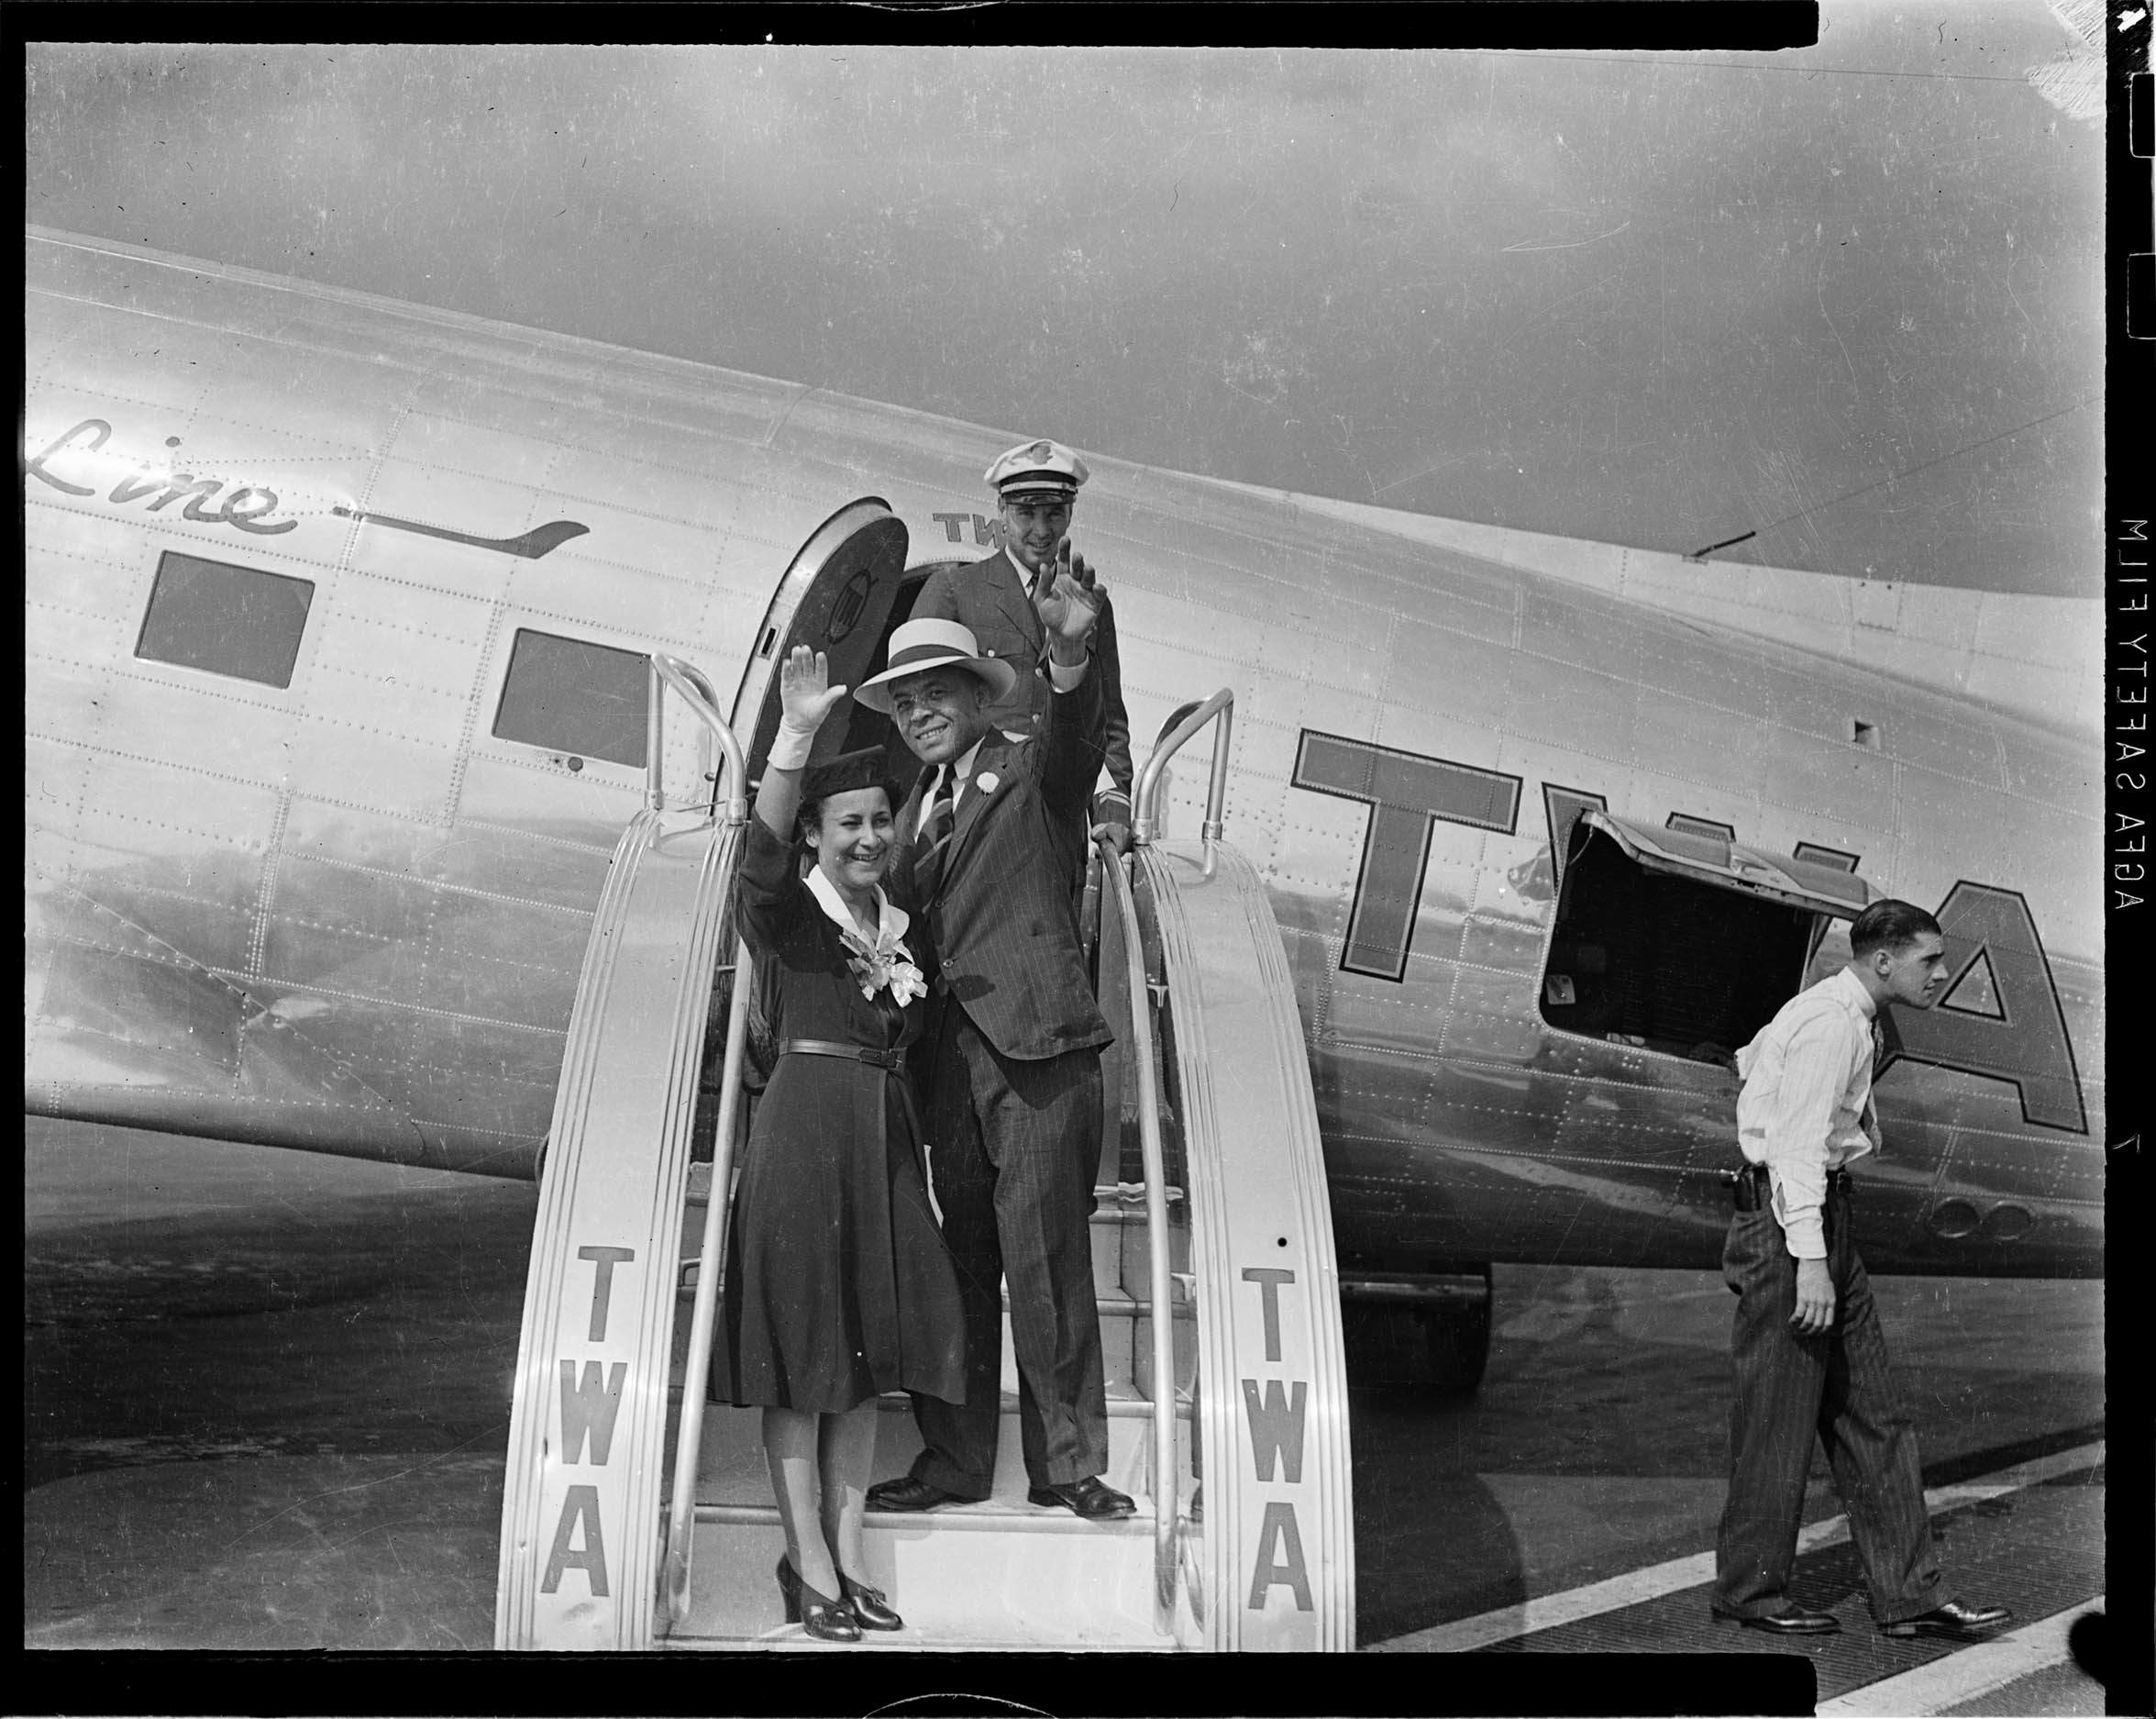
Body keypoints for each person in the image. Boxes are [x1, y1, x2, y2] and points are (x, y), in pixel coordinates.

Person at [855, 594, 1135, 1523]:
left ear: (979, 696)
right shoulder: (905, 814)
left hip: (1037, 1052)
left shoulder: (1030, 775)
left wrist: (1066, 656)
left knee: (1045, 1257)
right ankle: (954, 1458)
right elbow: (894, 934)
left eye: (936, 692)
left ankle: (1066, 1464)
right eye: (903, 703)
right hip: (950, 1067)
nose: (918, 713)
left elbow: (1077, 734)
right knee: (959, 1268)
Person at [711, 648, 967, 1641]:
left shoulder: (900, 926)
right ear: (816, 833)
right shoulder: (790, 914)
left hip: (882, 1137)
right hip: (806, 1131)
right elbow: (761, 853)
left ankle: (848, 1549)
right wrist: (795, 739)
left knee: (866, 1358)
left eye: (877, 819)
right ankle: (804, 1556)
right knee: (801, 1356)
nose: (867, 836)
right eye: (846, 822)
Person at [1711, 899, 2012, 1642]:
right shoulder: (1828, 1023)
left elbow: (1753, 1061)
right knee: (1778, 1423)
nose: (1939, 974)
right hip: (1793, 1233)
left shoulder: (1842, 1017)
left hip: (1822, 1225)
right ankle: (1748, 1595)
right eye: (1928, 961)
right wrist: (1808, 1261)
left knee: (1875, 1415)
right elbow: (1792, 1150)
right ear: (1883, 959)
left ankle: (1908, 1597)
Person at [911, 438, 1134, 859]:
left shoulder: (1089, 604)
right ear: (1001, 509)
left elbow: (1108, 721)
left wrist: (1114, 803)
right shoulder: (954, 591)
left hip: (1055, 819)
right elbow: (915, 707)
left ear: (1071, 513)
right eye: (1025, 513)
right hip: (970, 810)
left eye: (1054, 513)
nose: (1042, 530)